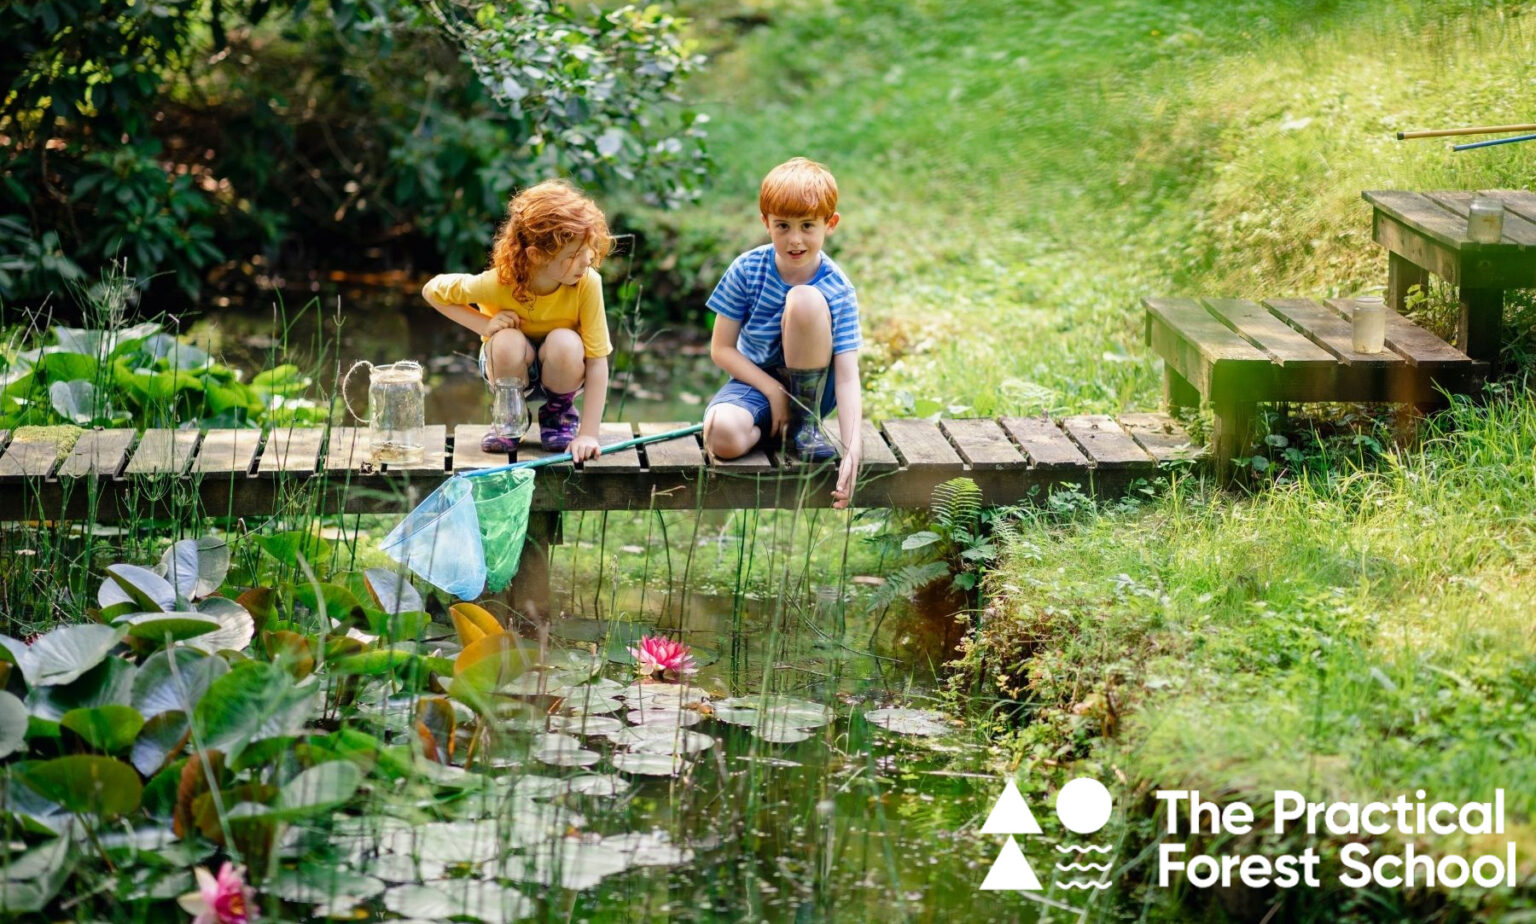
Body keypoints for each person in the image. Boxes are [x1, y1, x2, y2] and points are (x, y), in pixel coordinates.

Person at [703, 156, 863, 509]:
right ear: (766, 223)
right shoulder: (747, 269)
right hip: (756, 383)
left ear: (830, 224)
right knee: (718, 434)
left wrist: (853, 449)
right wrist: (773, 392)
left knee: (803, 299)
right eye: (783, 226)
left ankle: (803, 425)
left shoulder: (838, 287)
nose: (795, 240)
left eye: (808, 226)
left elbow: (848, 377)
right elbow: (722, 349)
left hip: (813, 391)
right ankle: (776, 430)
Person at [421, 179, 614, 462]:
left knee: (566, 341)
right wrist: (483, 325)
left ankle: (558, 415)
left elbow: (597, 361)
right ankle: (510, 420)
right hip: (508, 370)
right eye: (573, 254)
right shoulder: (499, 282)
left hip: (564, 370)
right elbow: (432, 291)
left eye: (587, 248)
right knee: (506, 340)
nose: (587, 260)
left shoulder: (587, 283)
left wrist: (588, 434)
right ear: (537, 256)